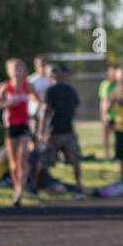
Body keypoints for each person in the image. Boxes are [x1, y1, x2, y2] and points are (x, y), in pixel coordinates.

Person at [0, 59, 38, 206]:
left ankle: (19, 192)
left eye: (20, 68)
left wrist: (35, 113)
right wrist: (7, 103)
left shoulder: (28, 86)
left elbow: (39, 101)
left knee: (22, 158)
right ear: (9, 72)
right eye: (14, 69)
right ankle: (16, 186)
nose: (17, 71)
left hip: (24, 124)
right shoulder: (5, 87)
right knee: (13, 163)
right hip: (11, 125)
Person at [37, 63, 83, 197]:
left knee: (44, 162)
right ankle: (78, 188)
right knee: (74, 161)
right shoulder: (69, 89)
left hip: (55, 132)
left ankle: (35, 188)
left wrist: (41, 130)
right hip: (65, 130)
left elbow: (45, 111)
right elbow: (75, 109)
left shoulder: (50, 90)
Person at [98, 63, 118, 160]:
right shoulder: (104, 84)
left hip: (117, 115)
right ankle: (106, 155)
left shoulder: (118, 84)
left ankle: (117, 154)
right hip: (108, 115)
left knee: (118, 137)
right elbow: (103, 100)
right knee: (106, 135)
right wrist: (103, 114)